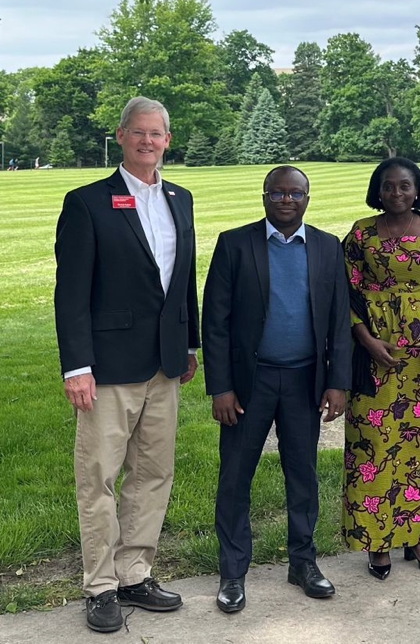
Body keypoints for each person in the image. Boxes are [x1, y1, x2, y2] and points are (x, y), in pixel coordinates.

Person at [54, 97, 199, 633]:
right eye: (137, 133)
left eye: (156, 134)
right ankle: (101, 585)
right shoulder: (87, 202)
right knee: (99, 477)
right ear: (121, 137)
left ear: (167, 138)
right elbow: (70, 294)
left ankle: (135, 572)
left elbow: (184, 279)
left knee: (154, 473)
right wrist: (77, 367)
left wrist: (191, 346)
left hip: (164, 364)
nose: (147, 141)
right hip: (108, 366)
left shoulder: (180, 199)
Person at [201, 166, 353, 613]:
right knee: (235, 477)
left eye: (296, 193)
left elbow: (339, 321)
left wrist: (337, 381)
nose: (287, 200)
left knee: (302, 475)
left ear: (308, 198)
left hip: (304, 381)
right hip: (250, 384)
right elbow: (216, 323)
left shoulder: (327, 247)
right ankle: (232, 572)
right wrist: (222, 388)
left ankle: (302, 563)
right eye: (278, 192)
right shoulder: (235, 244)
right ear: (265, 196)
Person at [342, 157, 420, 580]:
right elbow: (345, 292)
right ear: (377, 191)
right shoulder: (361, 232)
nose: (397, 193)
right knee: (372, 446)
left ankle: (417, 538)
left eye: (405, 186)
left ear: (418, 190)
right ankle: (377, 542)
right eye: (389, 186)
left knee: (416, 448)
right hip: (376, 349)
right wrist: (366, 340)